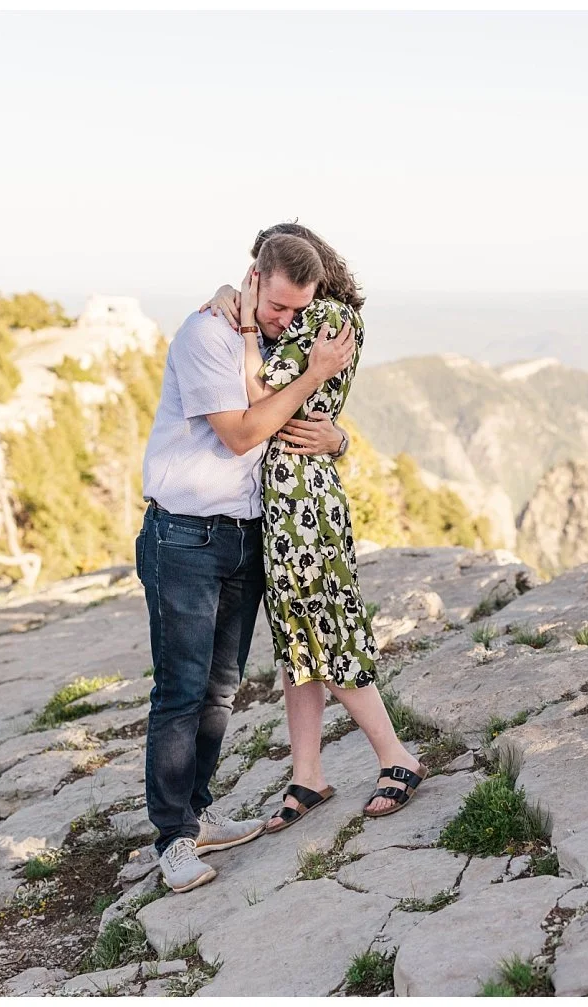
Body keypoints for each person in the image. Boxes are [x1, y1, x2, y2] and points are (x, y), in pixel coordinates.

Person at [138, 231, 354, 893]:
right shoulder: (206, 333)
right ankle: (173, 839)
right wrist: (314, 372)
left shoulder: (272, 337)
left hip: (246, 535)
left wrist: (339, 439)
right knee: (180, 692)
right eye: (277, 306)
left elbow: (299, 420)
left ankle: (197, 813)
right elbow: (240, 433)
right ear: (252, 278)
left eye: (298, 310)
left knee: (219, 691)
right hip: (184, 536)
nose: (286, 319)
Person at [202, 223, 426, 832]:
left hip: (300, 495)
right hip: (283, 494)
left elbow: (257, 398)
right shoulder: (310, 316)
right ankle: (307, 774)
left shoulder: (323, 318)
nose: (276, 311)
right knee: (297, 638)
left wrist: (249, 328)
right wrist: (228, 296)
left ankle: (396, 757)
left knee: (326, 631)